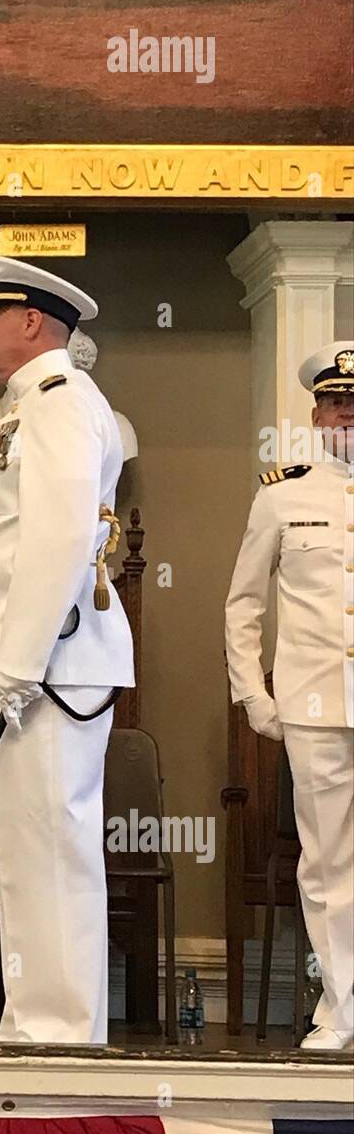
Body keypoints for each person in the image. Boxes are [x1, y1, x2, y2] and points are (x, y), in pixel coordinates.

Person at [0, 256, 133, 1044]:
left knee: (52, 847)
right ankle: (36, 1020)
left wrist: (16, 661)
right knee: (24, 851)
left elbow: (57, 538)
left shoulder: (58, 402)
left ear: (31, 324)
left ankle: (60, 1028)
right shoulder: (22, 409)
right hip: (22, 667)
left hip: (48, 668)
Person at [225, 341, 354, 1052]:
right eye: (336, 402)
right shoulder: (282, 491)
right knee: (326, 859)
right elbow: (241, 605)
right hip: (312, 705)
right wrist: (254, 696)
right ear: (315, 413)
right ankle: (340, 1007)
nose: (347, 414)